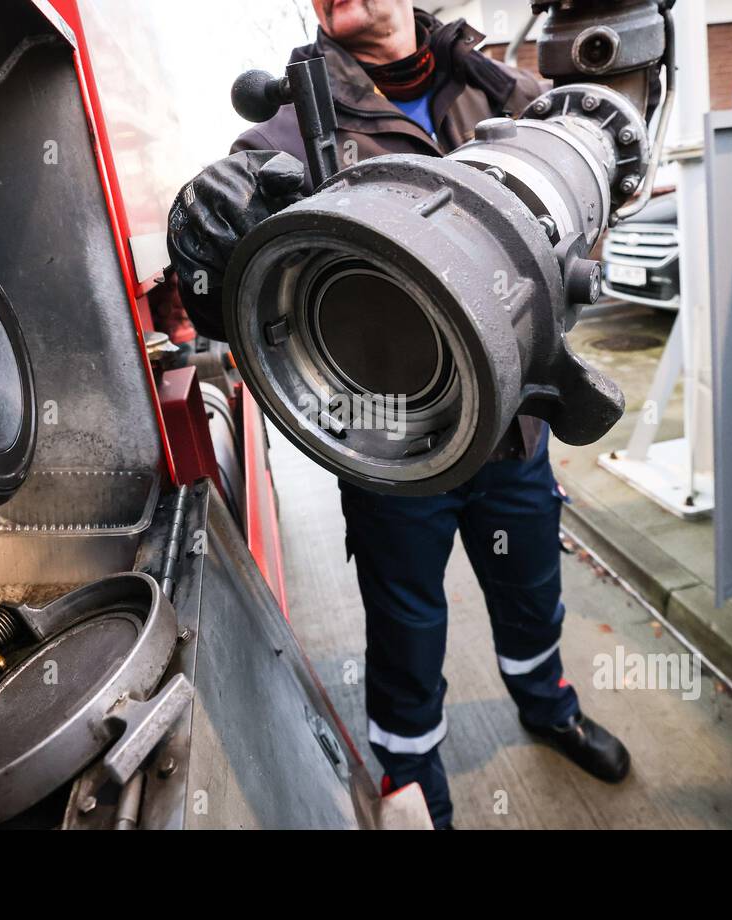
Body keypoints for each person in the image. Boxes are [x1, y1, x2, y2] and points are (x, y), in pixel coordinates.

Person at [167, 0, 629, 829]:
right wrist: (210, 234)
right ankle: (416, 780)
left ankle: (549, 703)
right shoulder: (284, 134)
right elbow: (231, 304)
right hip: (393, 443)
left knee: (530, 586)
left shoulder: (506, 93)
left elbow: (590, 223)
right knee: (406, 619)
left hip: (517, 428)